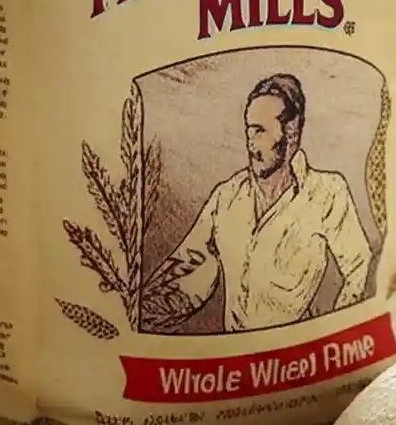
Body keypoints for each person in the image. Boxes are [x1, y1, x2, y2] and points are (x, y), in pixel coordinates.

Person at [148, 74, 372, 333]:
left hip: (300, 357)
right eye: (248, 131)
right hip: (232, 364)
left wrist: (337, 337)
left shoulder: (327, 194)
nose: (251, 144)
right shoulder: (227, 197)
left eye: (260, 131)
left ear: (291, 133)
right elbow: (190, 270)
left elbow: (359, 266)